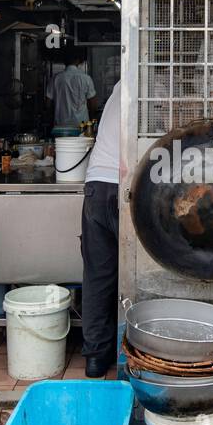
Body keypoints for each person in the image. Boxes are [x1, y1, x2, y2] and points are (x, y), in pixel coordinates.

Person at [80, 79, 123, 377]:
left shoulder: (120, 87)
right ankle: (134, 354)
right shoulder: (151, 84)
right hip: (124, 188)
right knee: (140, 271)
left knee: (98, 275)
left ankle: (95, 358)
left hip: (96, 184)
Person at [46, 50, 98, 130]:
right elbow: (93, 104)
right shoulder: (86, 78)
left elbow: (48, 104)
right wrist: (92, 120)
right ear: (78, 60)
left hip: (60, 125)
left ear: (64, 62)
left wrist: (50, 120)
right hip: (81, 124)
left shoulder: (55, 79)